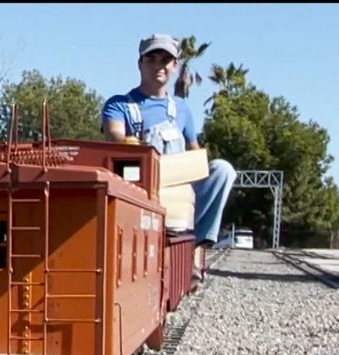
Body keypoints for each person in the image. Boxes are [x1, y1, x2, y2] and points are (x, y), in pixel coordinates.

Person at [101, 33, 237, 280]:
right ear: (140, 63)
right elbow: (116, 138)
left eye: (165, 60)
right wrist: (133, 145)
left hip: (178, 184)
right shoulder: (119, 105)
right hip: (140, 185)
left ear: (174, 66)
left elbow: (195, 151)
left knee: (222, 170)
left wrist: (195, 168)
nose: (158, 66)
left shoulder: (182, 109)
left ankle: (193, 245)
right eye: (151, 59)